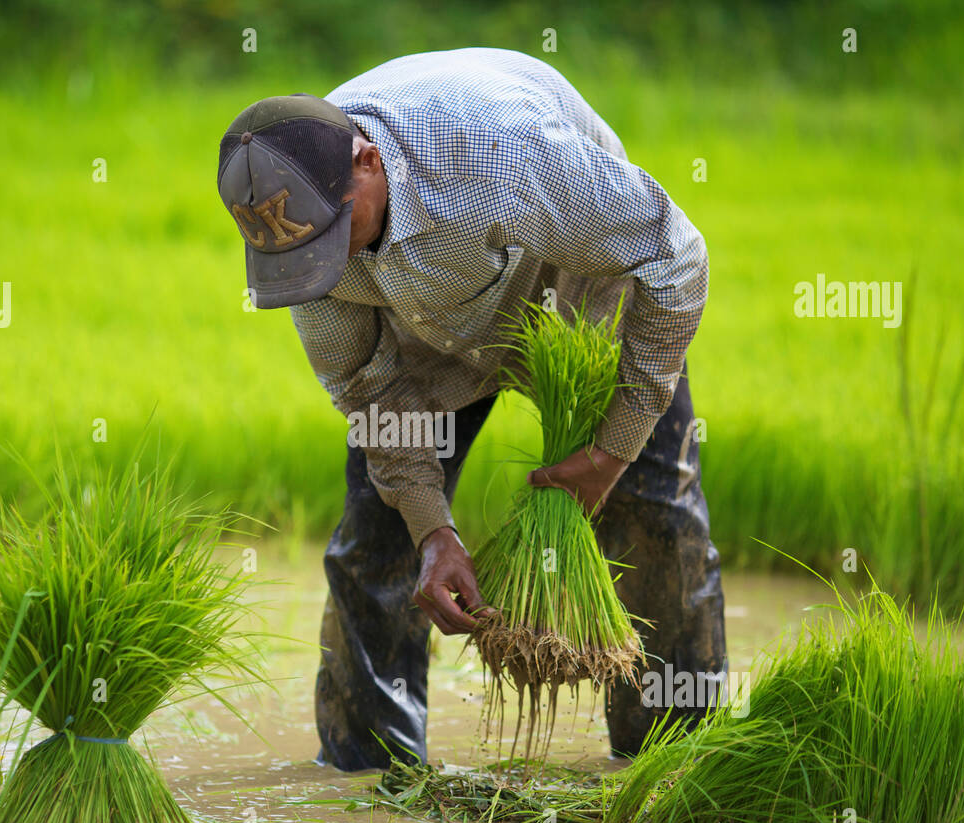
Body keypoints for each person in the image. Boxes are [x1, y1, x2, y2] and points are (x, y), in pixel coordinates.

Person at [217, 48, 725, 771]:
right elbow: (365, 387)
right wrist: (431, 530)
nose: (326, 268)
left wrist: (615, 447)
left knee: (658, 519)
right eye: (304, 259)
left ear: (365, 160)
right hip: (425, 347)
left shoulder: (498, 158)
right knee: (379, 537)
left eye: (335, 235)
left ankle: (676, 763)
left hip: (578, 303)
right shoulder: (308, 246)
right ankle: (369, 772)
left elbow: (674, 257)